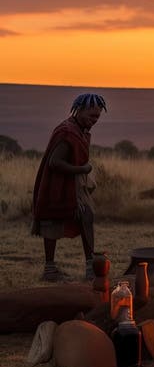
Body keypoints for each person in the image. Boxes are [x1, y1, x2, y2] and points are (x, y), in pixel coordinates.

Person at [31, 93, 106, 282]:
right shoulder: (67, 132)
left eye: (97, 117)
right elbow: (54, 162)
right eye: (91, 116)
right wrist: (82, 169)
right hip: (58, 185)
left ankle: (90, 267)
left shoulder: (80, 130)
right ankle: (50, 270)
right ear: (79, 110)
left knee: (86, 216)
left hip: (73, 185)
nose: (94, 120)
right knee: (52, 222)